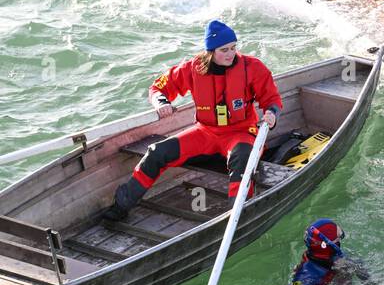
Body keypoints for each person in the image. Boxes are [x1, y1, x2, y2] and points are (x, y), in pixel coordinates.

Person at [106, 20, 282, 221]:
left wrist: (272, 114)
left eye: (233, 47)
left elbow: (272, 99)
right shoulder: (193, 68)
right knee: (157, 152)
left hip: (241, 134)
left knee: (243, 159)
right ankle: (121, 206)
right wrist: (161, 103)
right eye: (224, 49)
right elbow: (158, 88)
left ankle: (238, 217)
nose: (231, 53)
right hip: (206, 133)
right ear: (211, 52)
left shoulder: (252, 67)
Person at [289, 219, 368, 285]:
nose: (339, 242)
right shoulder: (306, 276)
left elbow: (359, 269)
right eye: (337, 240)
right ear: (328, 246)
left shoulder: (332, 256)